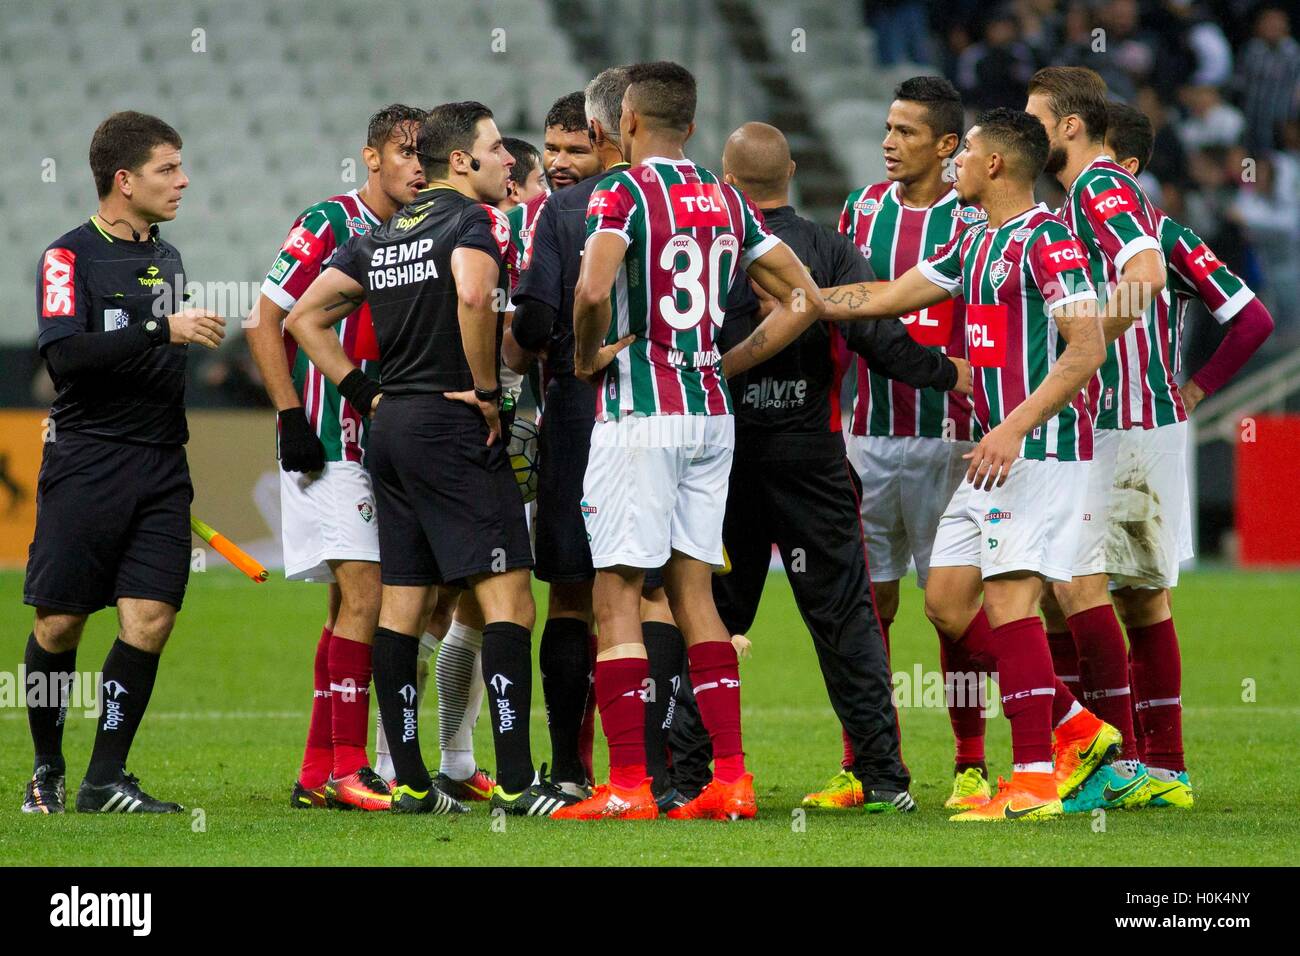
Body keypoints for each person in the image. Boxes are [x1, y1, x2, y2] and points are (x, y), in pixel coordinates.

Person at [823, 107, 1115, 822]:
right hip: (994, 454)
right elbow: (888, 298)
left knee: (1011, 603)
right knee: (950, 604)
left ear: (994, 166)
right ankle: (1075, 724)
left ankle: (1035, 781)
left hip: (1036, 450)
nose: (954, 165)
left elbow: (1087, 347)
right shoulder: (977, 241)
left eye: (967, 153)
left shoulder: (1052, 242)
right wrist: (804, 298)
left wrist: (1012, 427)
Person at [557, 61, 825, 821]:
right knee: (694, 593)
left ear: (627, 121)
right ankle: (731, 782)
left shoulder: (621, 191)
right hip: (712, 416)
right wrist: (728, 359)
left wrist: (585, 358)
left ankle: (630, 787)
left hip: (640, 416)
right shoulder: (727, 198)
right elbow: (803, 297)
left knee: (616, 599)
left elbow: (593, 290)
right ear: (694, 125)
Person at [286, 101, 563, 816]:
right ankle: (513, 778)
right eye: (497, 147)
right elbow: (475, 293)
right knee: (509, 599)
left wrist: (363, 392)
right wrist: (485, 394)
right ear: (462, 162)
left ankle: (409, 779)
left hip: (393, 430)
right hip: (451, 423)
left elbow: (303, 318)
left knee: (403, 602)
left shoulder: (381, 233)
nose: (509, 159)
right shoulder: (474, 221)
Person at [715, 120, 975, 813]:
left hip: (725, 462)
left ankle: (703, 773)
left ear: (727, 181)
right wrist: (947, 372)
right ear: (792, 170)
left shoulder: (714, 242)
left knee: (708, 618)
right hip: (813, 461)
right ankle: (884, 778)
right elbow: (881, 341)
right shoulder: (830, 248)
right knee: (845, 619)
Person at [23, 111, 226, 814]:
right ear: (124, 179)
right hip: (88, 461)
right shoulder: (68, 257)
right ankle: (45, 769)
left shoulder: (166, 258)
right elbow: (65, 356)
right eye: (168, 168)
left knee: (150, 620)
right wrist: (158, 326)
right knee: (59, 624)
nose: (182, 180)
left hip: (162, 464)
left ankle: (105, 778)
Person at [1082, 101, 1275, 809]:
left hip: (1131, 433)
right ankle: (1120, 762)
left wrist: (1194, 389)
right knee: (1076, 594)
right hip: (1094, 433)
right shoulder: (1062, 231)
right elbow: (1254, 318)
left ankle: (1153, 767)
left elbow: (1253, 318)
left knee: (1126, 595)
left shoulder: (1154, 236)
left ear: (1123, 166)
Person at [247, 104, 427, 812]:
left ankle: (318, 770)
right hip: (328, 439)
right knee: (366, 597)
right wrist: (290, 412)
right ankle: (352, 768)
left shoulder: (416, 229)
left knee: (343, 605)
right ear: (371, 157)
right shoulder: (330, 222)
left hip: (382, 442)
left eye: (423, 153)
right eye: (403, 152)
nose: (416, 164)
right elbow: (266, 318)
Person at [828, 76, 992, 811]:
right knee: (867, 608)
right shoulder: (861, 210)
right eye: (887, 129)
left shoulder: (975, 216)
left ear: (947, 145)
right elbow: (841, 319)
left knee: (951, 610)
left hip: (952, 443)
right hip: (867, 437)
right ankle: (864, 764)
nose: (889, 142)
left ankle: (971, 762)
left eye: (906, 132)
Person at [1025, 66, 1170, 810]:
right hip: (1105, 415)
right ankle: (1114, 760)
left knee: (1075, 585)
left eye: (1036, 119)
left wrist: (1082, 343)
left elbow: (1147, 270)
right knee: (1063, 589)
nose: (1027, 133)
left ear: (1071, 127)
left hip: (1115, 416)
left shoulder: (1097, 187)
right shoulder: (1082, 193)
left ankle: (1125, 762)